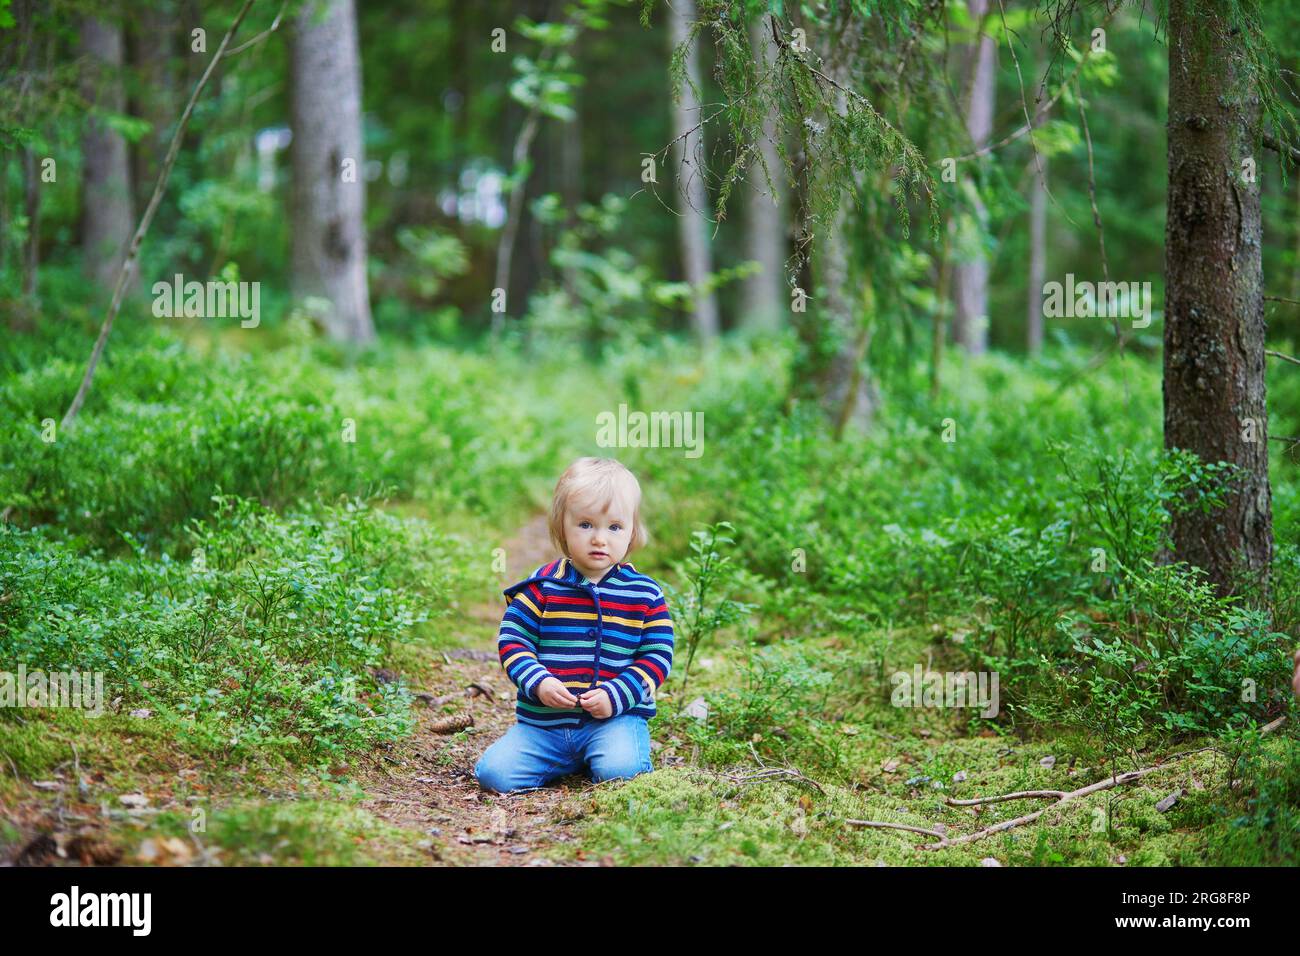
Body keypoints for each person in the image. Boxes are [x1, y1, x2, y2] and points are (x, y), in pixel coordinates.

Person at [474, 457, 675, 793]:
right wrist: (537, 682)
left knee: (620, 770)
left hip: (614, 720)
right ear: (561, 527)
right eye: (585, 525)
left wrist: (617, 694)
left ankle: (600, 756)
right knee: (494, 775)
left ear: (632, 532)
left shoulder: (644, 593)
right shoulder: (541, 587)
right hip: (544, 726)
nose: (599, 538)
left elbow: (657, 655)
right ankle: (566, 760)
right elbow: (513, 640)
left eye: (614, 527)